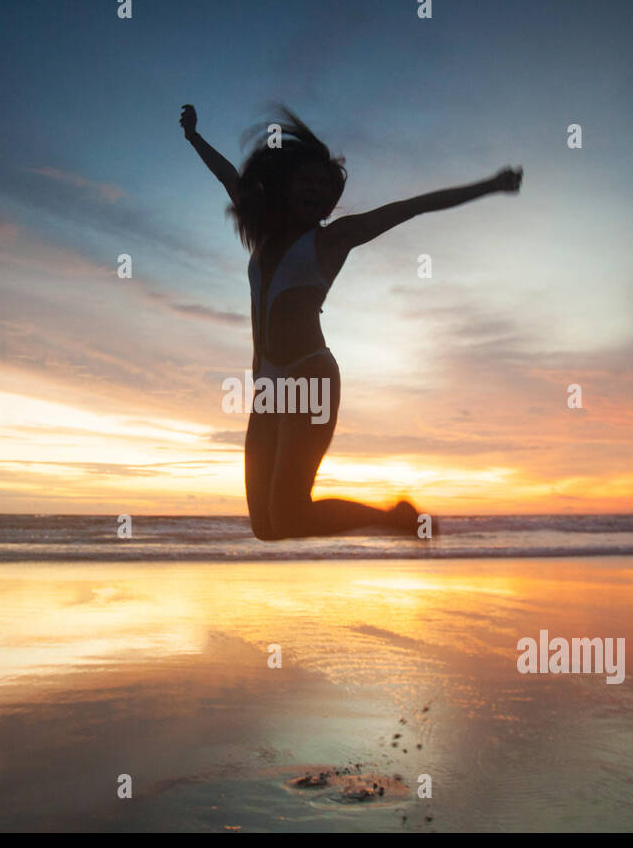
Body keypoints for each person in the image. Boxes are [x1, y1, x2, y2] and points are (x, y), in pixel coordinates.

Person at [181, 103, 522, 540]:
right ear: (285, 185)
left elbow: (412, 207)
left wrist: (491, 185)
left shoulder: (332, 239)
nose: (315, 190)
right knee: (266, 527)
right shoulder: (264, 232)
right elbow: (229, 175)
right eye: (305, 180)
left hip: (310, 374)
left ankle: (396, 519)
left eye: (324, 186)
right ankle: (395, 519)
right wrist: (194, 137)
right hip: (266, 388)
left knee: (289, 515)